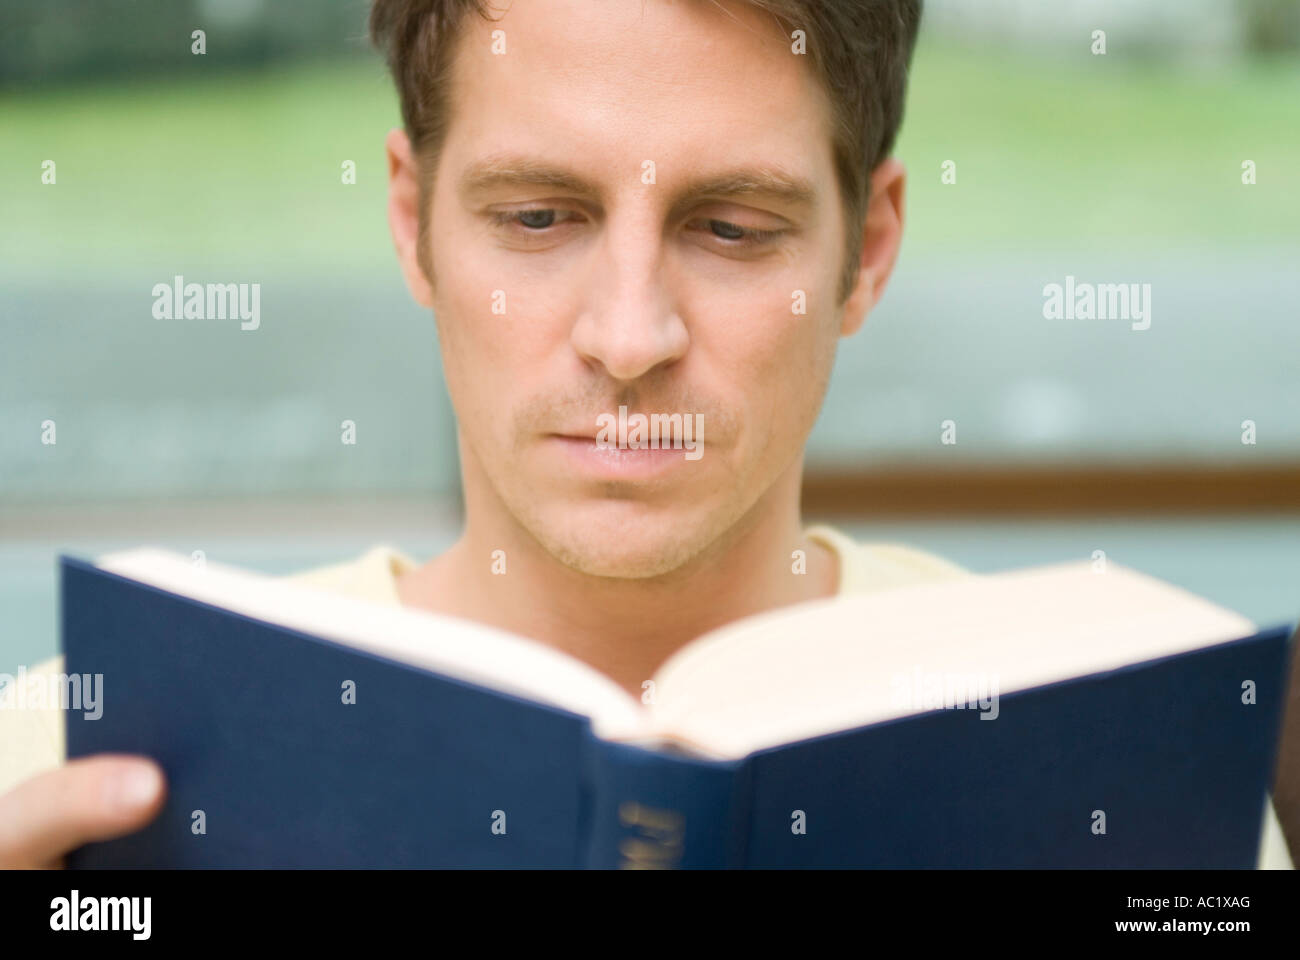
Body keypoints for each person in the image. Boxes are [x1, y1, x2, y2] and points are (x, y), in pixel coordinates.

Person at [0, 0, 1291, 869]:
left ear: (868, 252)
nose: (628, 338)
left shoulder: (1133, 740)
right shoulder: (73, 754)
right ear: (411, 222)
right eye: (540, 218)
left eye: (731, 229)